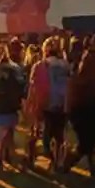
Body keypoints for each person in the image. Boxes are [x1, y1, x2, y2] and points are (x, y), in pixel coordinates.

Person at [26, 37, 71, 171]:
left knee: (40, 135)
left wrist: (30, 104)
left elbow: (33, 87)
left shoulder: (40, 65)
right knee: (59, 137)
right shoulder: (65, 65)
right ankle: (58, 162)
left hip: (45, 104)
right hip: (62, 105)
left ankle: (37, 158)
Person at [62, 49, 95, 180]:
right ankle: (66, 163)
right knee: (86, 145)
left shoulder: (77, 77)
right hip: (87, 113)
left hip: (82, 113)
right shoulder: (90, 79)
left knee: (89, 145)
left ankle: (92, 170)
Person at [0, 40, 26, 171]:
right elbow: (21, 87)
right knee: (8, 133)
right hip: (11, 106)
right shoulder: (15, 69)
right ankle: (4, 158)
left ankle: (3, 158)